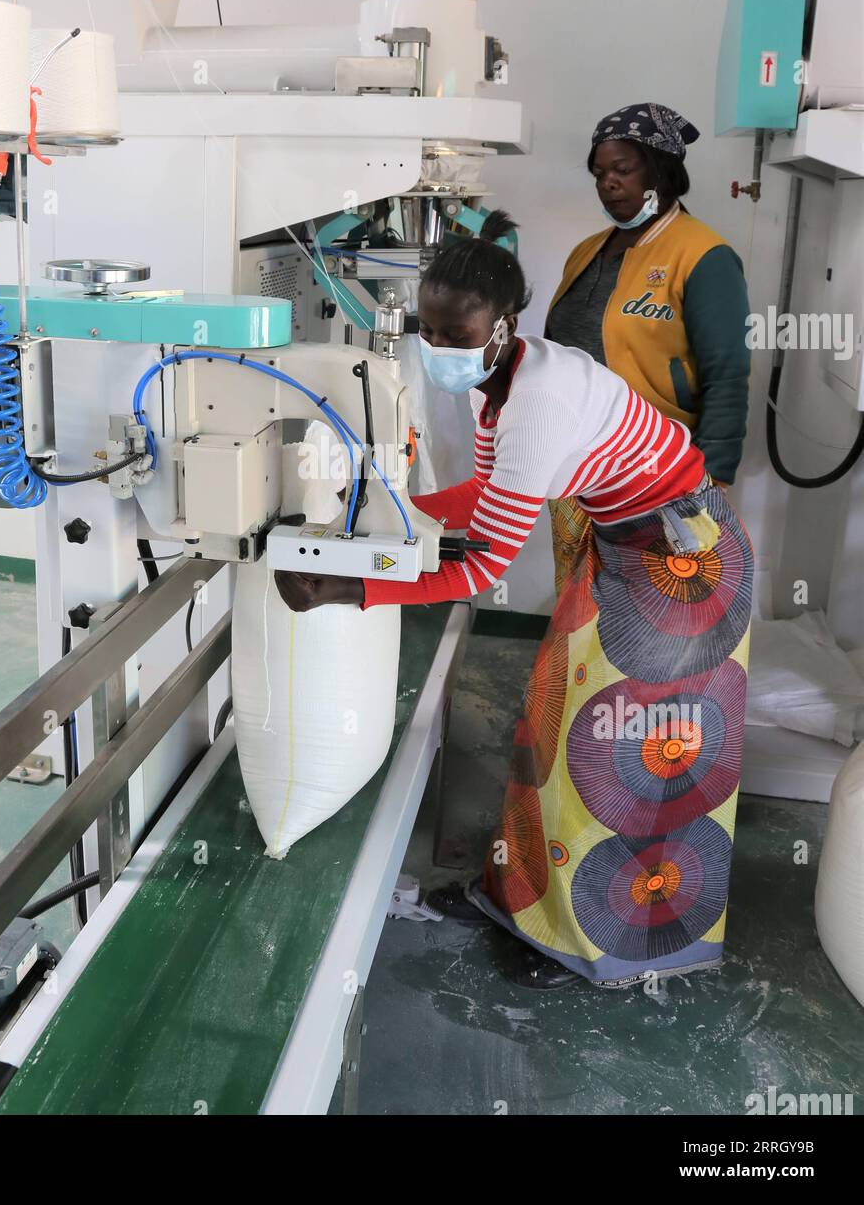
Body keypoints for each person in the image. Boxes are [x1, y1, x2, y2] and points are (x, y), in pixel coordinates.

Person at [275, 211, 753, 990]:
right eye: (428, 333)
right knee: (557, 724)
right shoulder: (497, 383)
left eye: (458, 338)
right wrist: (383, 517)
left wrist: (348, 588)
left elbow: (481, 567)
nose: (440, 352)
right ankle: (530, 904)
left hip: (682, 564)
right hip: (628, 545)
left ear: (505, 326)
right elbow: (483, 493)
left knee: (618, 753)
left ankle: (597, 944)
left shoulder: (538, 402)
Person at [545, 103, 750, 592]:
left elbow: (728, 371)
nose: (608, 183)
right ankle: (576, 672)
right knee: (580, 593)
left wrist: (711, 475)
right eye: (599, 173)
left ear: (661, 169)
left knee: (649, 604)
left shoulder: (703, 256)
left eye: (622, 169)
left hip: (654, 468)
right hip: (573, 463)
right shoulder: (588, 250)